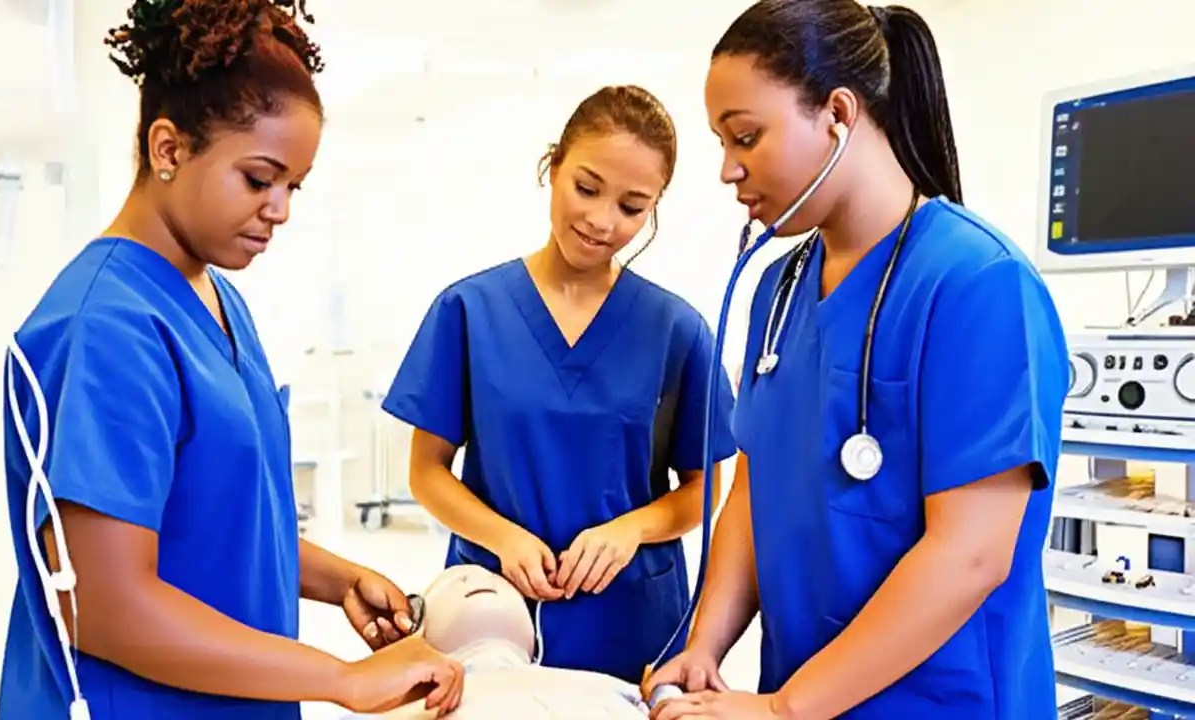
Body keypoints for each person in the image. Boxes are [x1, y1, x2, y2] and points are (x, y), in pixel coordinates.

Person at [0, 2, 463, 718]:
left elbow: (220, 523)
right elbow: (101, 603)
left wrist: (338, 579)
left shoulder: (215, 297)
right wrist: (337, 678)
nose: (278, 209)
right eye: (258, 178)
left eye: (292, 187)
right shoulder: (108, 326)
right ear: (168, 148)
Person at [645, 2, 1069, 719]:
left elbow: (971, 556)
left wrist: (784, 709)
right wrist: (703, 643)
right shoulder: (778, 293)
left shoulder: (976, 284)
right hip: (811, 696)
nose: (726, 170)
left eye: (746, 136)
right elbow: (754, 485)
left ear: (837, 113)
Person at [381, 85, 738, 685]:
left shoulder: (677, 329)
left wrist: (631, 530)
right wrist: (503, 538)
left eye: (632, 207)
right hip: (491, 614)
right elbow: (427, 472)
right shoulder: (469, 311)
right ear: (553, 167)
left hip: (632, 622)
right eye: (587, 187)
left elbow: (701, 492)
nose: (602, 221)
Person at [364, 565, 652, 718]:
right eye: (448, 585)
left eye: (497, 581)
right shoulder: (413, 707)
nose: (471, 578)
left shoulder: (608, 685)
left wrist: (662, 692)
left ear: (535, 642)